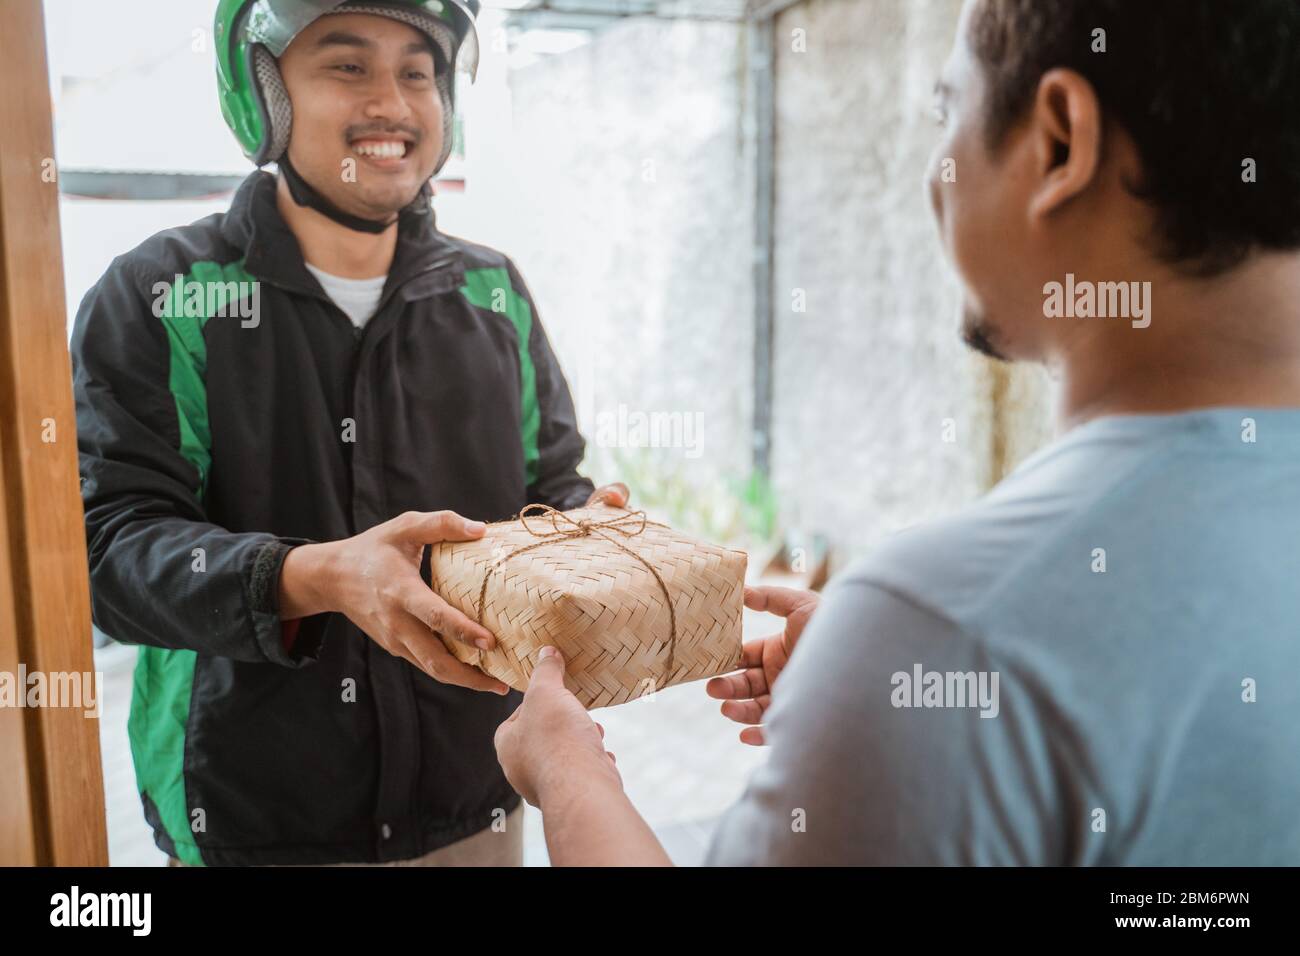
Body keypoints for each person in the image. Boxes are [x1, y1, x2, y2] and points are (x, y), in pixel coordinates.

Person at [494, 0, 1300, 865]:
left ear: (1060, 143)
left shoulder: (950, 622)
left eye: (947, 111)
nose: (935, 168)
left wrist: (569, 774)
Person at [72, 0, 624, 866]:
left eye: (417, 71)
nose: (394, 105)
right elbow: (108, 554)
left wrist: (595, 536)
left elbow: (550, 487)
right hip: (255, 820)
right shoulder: (162, 295)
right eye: (347, 65)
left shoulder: (491, 295)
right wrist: (317, 577)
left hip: (478, 798)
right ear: (264, 92)